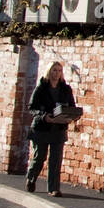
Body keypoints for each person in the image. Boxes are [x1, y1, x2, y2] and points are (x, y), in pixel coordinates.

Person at [26, 62, 76, 197]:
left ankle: (53, 188)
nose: (57, 73)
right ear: (49, 72)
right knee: (39, 157)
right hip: (42, 128)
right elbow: (32, 107)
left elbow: (72, 107)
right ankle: (31, 177)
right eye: (54, 70)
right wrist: (44, 116)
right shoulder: (41, 88)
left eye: (59, 70)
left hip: (58, 129)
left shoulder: (65, 89)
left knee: (56, 159)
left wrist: (71, 117)